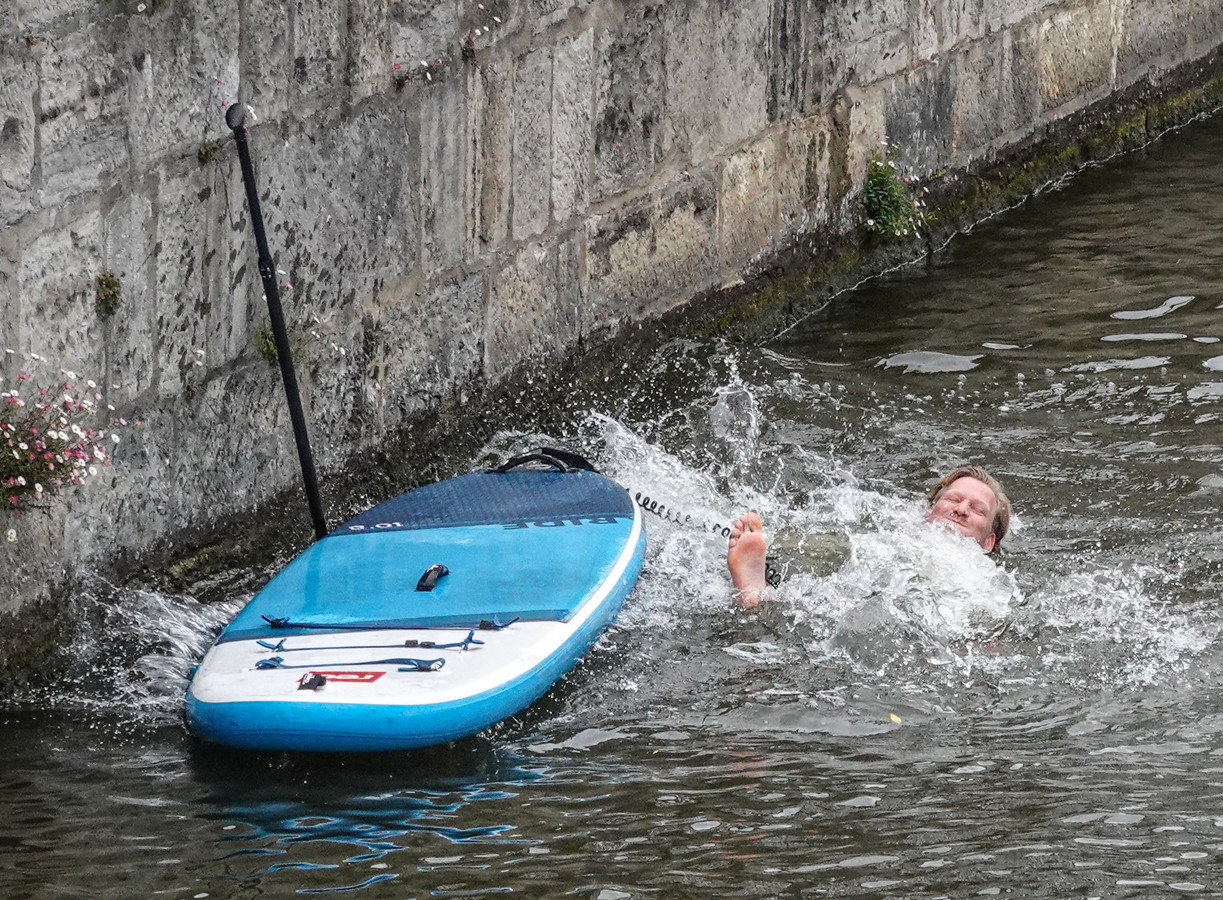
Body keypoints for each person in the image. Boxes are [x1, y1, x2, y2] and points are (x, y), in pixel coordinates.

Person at [726, 465, 1012, 608]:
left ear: (989, 542)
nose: (961, 510)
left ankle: (757, 599)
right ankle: (758, 587)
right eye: (954, 499)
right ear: (928, 511)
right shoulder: (886, 534)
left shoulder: (985, 584)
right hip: (876, 572)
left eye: (976, 510)